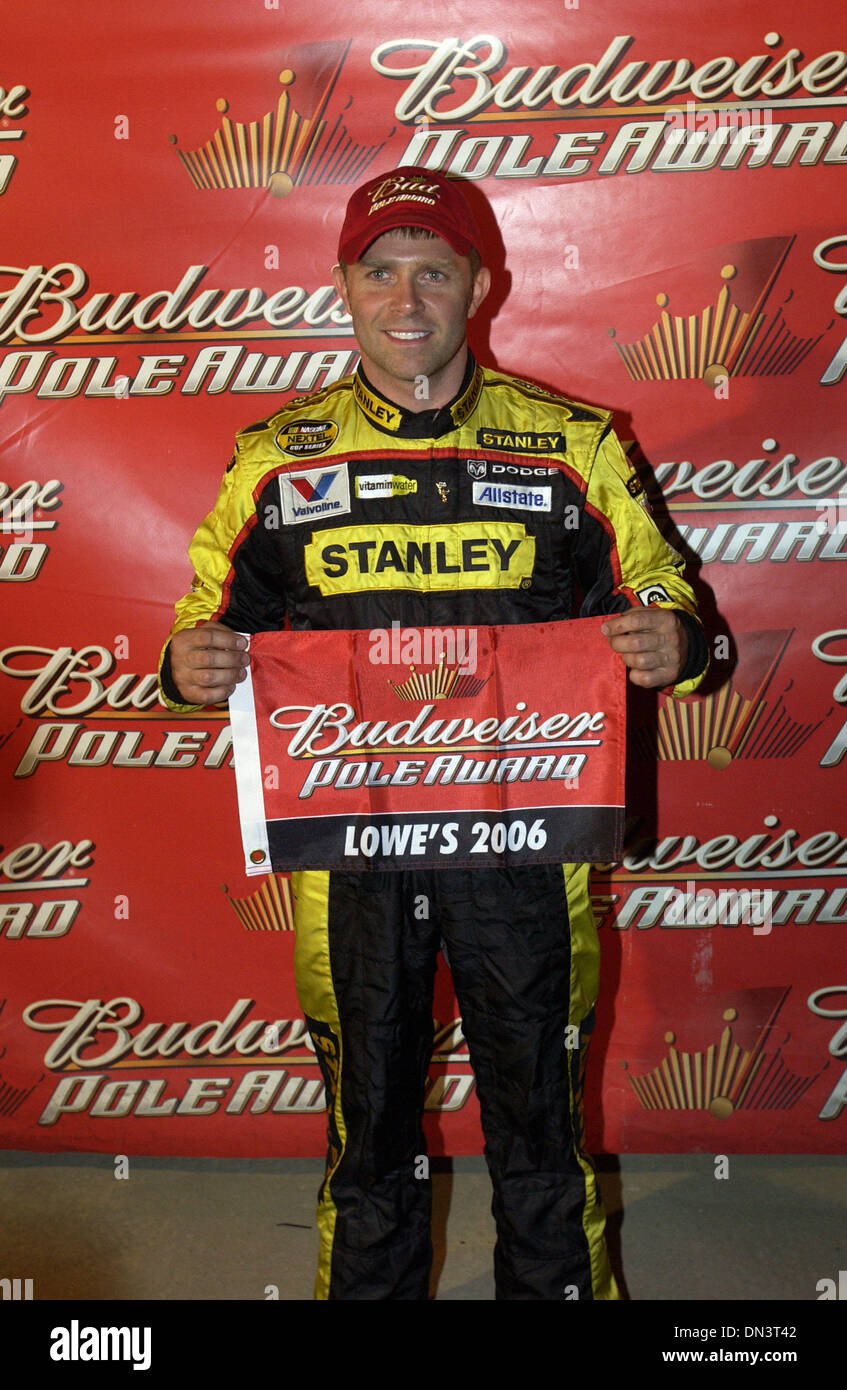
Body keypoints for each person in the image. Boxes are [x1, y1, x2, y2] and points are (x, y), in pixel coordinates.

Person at [159, 166, 708, 1301]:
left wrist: (675, 642)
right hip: (352, 858)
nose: (406, 299)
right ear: (344, 287)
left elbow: (669, 594)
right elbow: (206, 618)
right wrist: (187, 665)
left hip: (525, 856)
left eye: (435, 272)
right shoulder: (279, 454)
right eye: (381, 272)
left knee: (540, 1132)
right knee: (369, 1136)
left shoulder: (574, 445)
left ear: (481, 286)